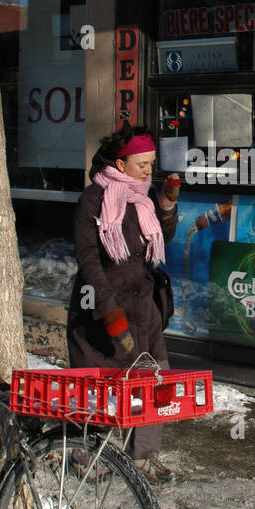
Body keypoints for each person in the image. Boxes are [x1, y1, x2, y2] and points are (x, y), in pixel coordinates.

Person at [67, 124, 180, 482]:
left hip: (143, 308)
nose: (149, 170)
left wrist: (167, 206)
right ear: (120, 162)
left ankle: (143, 457)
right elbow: (88, 260)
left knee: (152, 379)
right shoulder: (94, 199)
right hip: (101, 308)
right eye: (142, 163)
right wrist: (110, 313)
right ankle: (87, 457)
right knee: (96, 384)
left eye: (152, 163)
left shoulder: (141, 197)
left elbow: (158, 241)